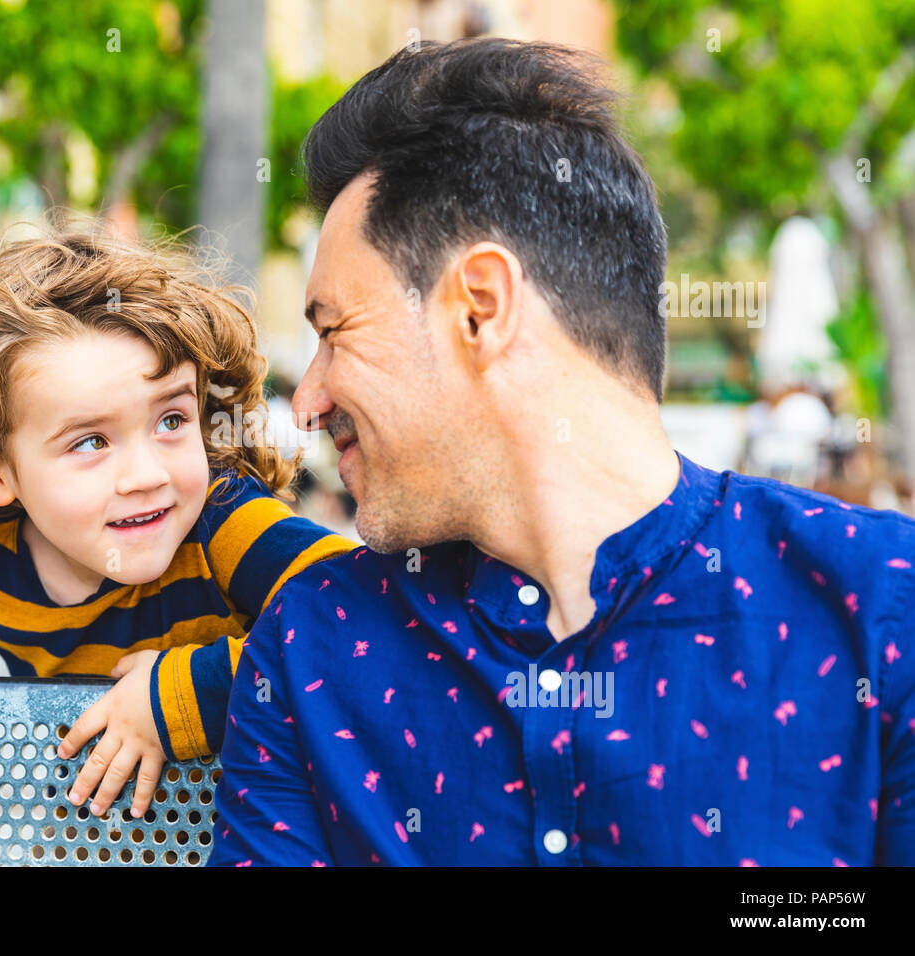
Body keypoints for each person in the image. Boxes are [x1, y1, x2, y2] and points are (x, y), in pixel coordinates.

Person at [209, 37, 915, 866]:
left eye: (333, 331)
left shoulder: (879, 607)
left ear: (479, 307)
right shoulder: (315, 646)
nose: (309, 397)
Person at [0, 225, 355, 820]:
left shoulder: (222, 523)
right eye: (92, 440)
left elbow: (350, 613)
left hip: (246, 839)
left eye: (171, 420)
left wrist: (184, 694)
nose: (145, 474)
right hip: (87, 839)